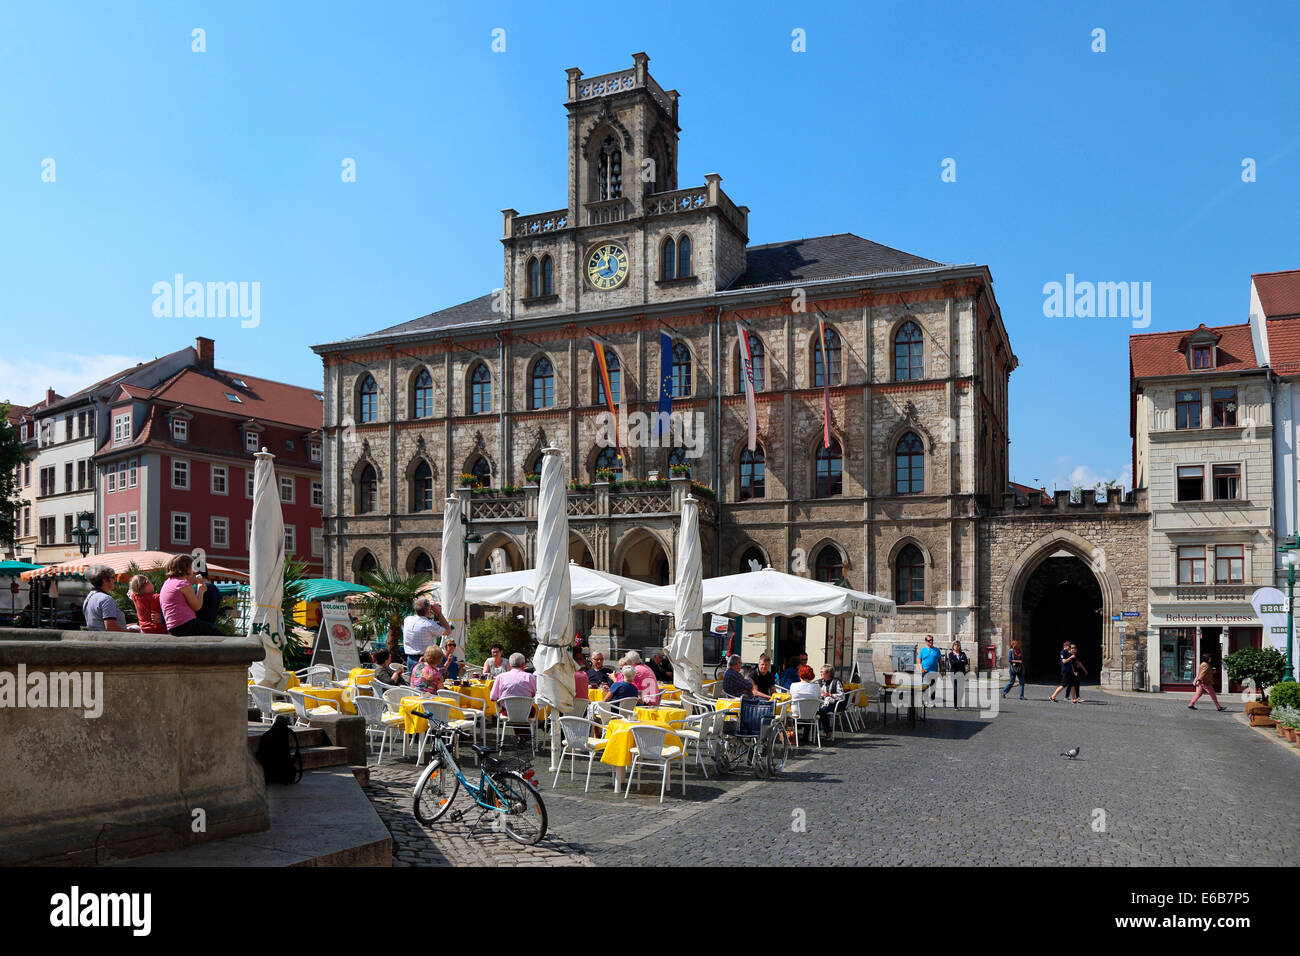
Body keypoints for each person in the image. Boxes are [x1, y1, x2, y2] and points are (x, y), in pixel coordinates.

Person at [159, 554, 223, 635]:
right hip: (185, 625)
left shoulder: (168, 582)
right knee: (218, 635)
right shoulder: (183, 584)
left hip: (172, 627)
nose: (195, 571)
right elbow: (197, 607)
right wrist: (200, 590)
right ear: (186, 568)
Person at [402, 596, 449, 673]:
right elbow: (447, 631)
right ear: (428, 611)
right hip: (426, 660)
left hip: (410, 659)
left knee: (414, 683)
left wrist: (425, 609)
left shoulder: (407, 620)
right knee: (428, 683)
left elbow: (417, 614)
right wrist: (439, 613)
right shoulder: (429, 625)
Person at [82, 565, 126, 632]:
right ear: (105, 580)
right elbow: (111, 629)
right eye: (113, 577)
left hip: (96, 639)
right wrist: (133, 631)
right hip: (109, 640)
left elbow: (99, 623)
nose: (115, 580)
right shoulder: (106, 599)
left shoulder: (89, 597)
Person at [816, 664, 846, 733]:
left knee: (822, 711)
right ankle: (812, 734)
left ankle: (828, 731)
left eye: (822, 672)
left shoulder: (836, 682)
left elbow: (842, 696)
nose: (820, 674)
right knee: (813, 710)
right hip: (821, 702)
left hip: (833, 703)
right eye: (820, 672)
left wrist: (830, 695)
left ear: (828, 673)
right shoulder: (819, 682)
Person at [948, 641, 970, 706]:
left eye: (958, 645)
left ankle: (959, 701)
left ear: (959, 647)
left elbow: (966, 661)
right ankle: (955, 704)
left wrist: (957, 661)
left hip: (962, 673)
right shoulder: (951, 654)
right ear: (953, 646)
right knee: (955, 689)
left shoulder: (963, 654)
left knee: (961, 690)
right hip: (954, 673)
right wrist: (960, 661)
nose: (956, 646)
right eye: (955, 645)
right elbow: (952, 663)